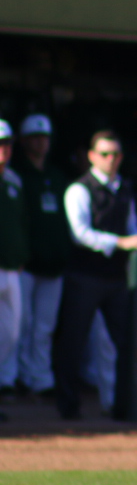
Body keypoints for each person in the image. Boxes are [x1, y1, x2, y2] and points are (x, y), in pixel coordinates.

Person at [54, 131, 137, 420]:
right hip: (83, 276)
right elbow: (80, 235)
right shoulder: (78, 189)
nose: (111, 160)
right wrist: (122, 242)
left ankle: (124, 407)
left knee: (126, 341)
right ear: (91, 156)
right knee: (73, 342)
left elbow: (132, 226)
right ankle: (68, 408)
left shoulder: (124, 187)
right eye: (104, 154)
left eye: (115, 154)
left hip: (116, 278)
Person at [15, 115, 64, 396]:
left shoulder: (55, 176)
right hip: (26, 265)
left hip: (53, 266)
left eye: (44, 137)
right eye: (34, 137)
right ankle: (16, 377)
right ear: (23, 141)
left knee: (44, 328)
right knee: (21, 324)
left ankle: (40, 378)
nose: (40, 142)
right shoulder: (17, 175)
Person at [0, 121, 24, 409]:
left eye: (6, 142)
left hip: (12, 269)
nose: (3, 148)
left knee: (11, 334)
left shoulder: (14, 180)